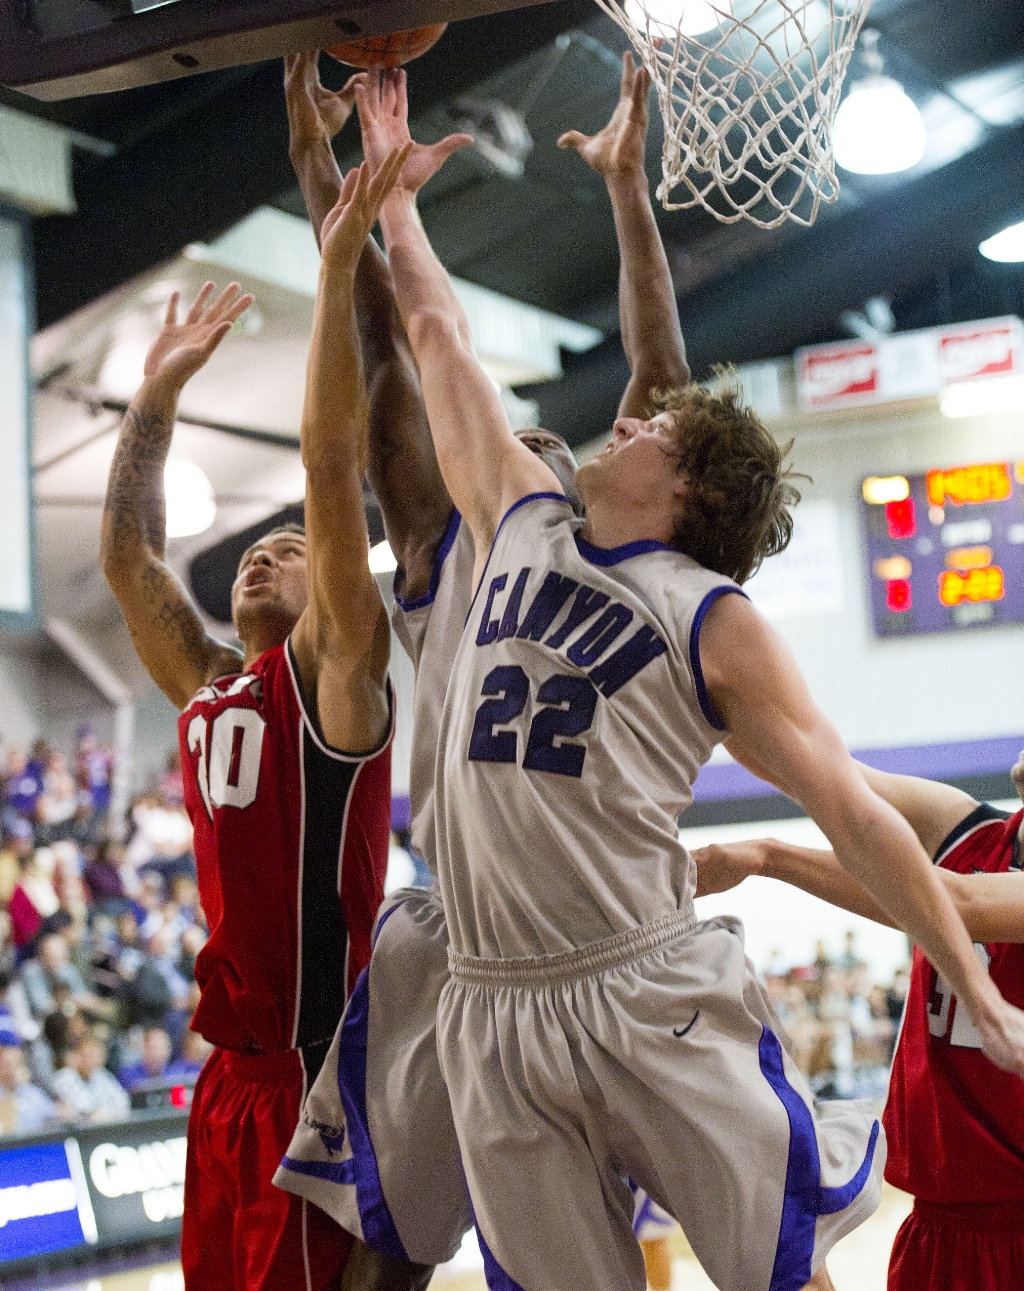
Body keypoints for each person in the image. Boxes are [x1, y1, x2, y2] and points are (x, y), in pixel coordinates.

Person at [356, 64, 1024, 1291]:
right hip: (492, 998)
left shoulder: (710, 619)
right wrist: (395, 206)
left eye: (653, 433)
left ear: (688, 494)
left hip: (640, 979)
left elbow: (857, 810)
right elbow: (439, 340)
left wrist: (971, 976)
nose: (628, 421)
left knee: (775, 1268)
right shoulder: (521, 514)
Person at [275, 50, 687, 1283]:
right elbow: (388, 359)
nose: (526, 442)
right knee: (385, 1251)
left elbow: (667, 386)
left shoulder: (637, 550)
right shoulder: (446, 530)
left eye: (549, 439)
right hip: (464, 934)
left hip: (621, 934)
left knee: (714, 1234)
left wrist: (628, 195)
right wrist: (328, 174)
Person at [100, 145, 410, 1290]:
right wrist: (156, 395)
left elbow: (331, 475)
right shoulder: (211, 686)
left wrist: (334, 275)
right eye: (248, 551)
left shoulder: (333, 682)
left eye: (287, 553)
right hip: (228, 1080)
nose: (264, 553)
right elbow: (129, 558)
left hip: (318, 1070)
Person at [693, 755, 1024, 1291]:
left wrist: (768, 855)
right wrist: (699, 700)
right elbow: (812, 763)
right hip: (937, 1225)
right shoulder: (972, 831)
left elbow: (954, 903)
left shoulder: (965, 879)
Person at [52, 1032, 130, 1122]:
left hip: (107, 1128)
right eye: (87, 1055)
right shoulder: (64, 1077)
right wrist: (106, 1115)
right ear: (76, 1055)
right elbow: (87, 1110)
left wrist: (106, 1115)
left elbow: (122, 1103)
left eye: (96, 1055)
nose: (91, 1060)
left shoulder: (101, 1075)